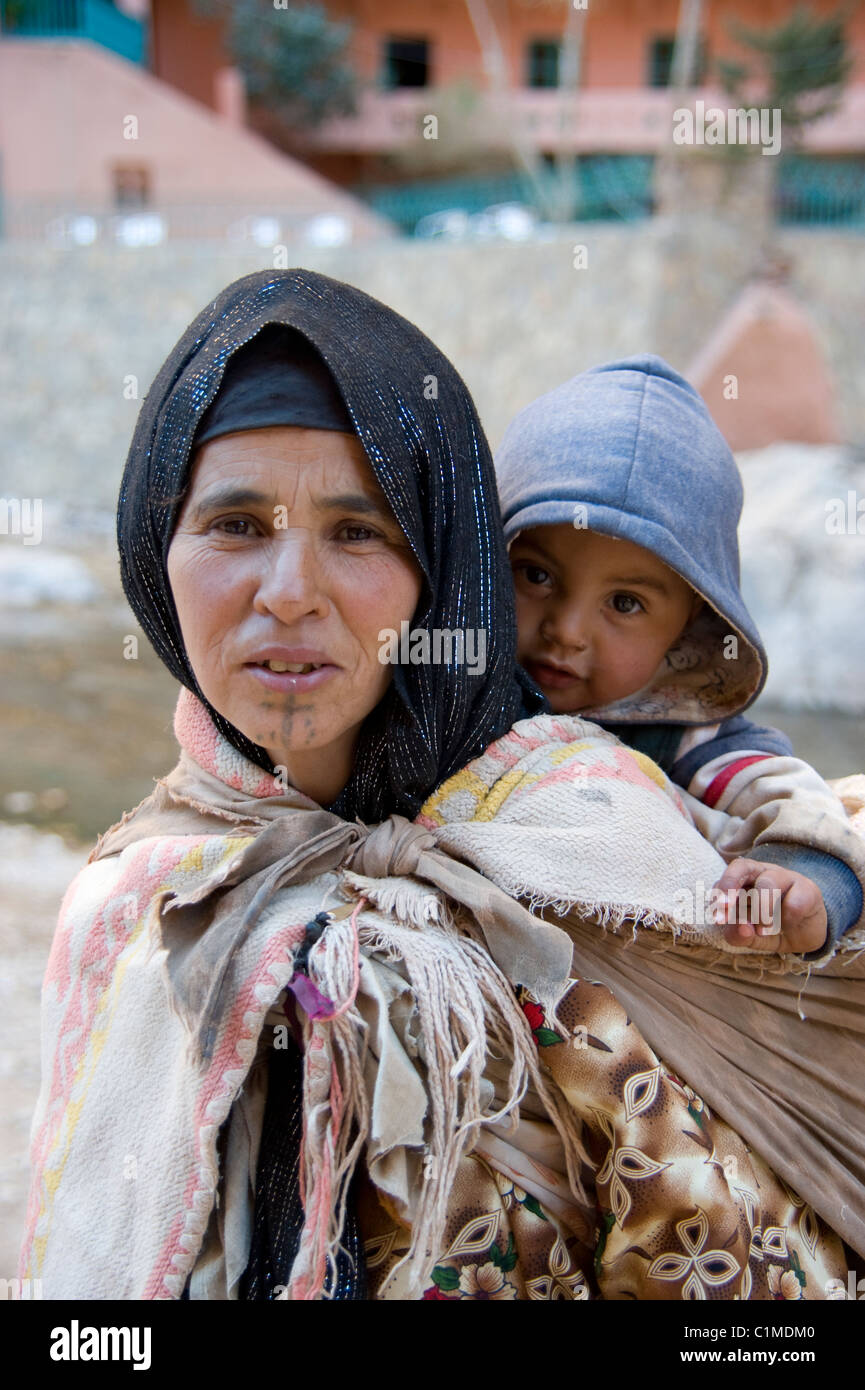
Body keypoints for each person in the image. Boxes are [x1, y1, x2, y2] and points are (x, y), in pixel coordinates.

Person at [19, 275, 864, 1301]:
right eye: (236, 523)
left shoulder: (608, 846)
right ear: (155, 554)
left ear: (438, 565)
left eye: (359, 530)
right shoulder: (136, 895)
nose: (288, 592)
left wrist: (808, 870)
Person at [495, 355, 865, 961]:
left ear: (691, 625)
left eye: (624, 602)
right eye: (534, 575)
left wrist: (803, 880)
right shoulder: (452, 689)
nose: (566, 631)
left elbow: (793, 802)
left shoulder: (688, 736)